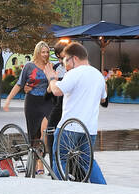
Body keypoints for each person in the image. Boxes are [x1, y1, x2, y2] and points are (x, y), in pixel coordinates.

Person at [45, 43, 107, 183]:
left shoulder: (74, 73)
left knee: (60, 159)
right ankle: (104, 190)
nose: (65, 64)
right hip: (89, 129)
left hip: (69, 127)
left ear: (74, 58)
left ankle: (62, 193)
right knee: (88, 161)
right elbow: (104, 98)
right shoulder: (98, 75)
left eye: (66, 60)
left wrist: (51, 78)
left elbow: (56, 91)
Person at [3, 41, 56, 142]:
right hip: (32, 102)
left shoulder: (50, 66)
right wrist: (8, 99)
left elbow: (54, 83)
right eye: (43, 52)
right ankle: (36, 156)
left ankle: (41, 152)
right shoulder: (29, 66)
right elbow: (19, 84)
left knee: (45, 129)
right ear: (37, 53)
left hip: (47, 101)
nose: (45, 54)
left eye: (47, 52)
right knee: (34, 134)